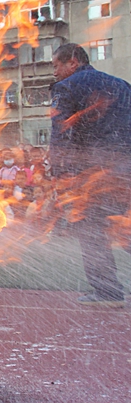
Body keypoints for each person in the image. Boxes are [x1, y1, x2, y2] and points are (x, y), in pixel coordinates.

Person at [50, 43, 131, 307]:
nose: (55, 72)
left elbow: (60, 130)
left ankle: (107, 292)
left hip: (94, 173)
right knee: (124, 227)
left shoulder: (68, 86)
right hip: (125, 169)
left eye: (56, 65)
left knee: (92, 230)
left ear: (73, 61)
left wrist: (58, 171)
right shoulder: (123, 85)